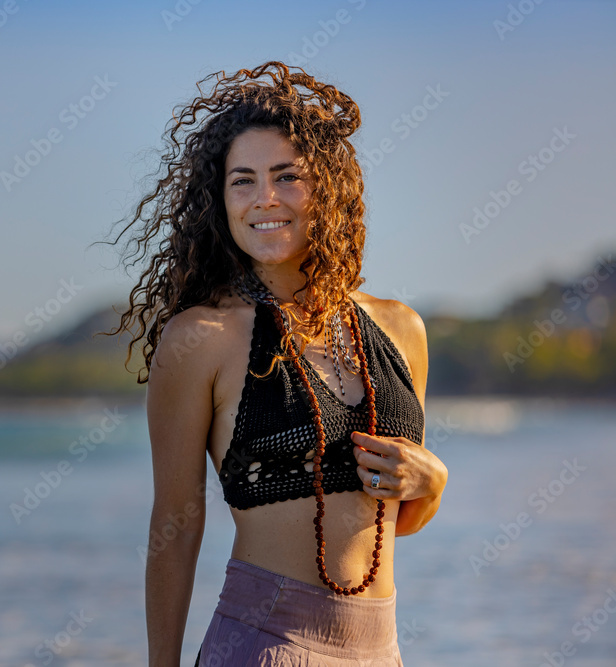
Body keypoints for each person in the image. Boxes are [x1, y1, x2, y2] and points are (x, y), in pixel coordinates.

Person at [105, 62, 449, 665]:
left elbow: (397, 518)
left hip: (382, 650)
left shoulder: (401, 329)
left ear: (328, 189)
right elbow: (176, 525)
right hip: (264, 644)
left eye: (286, 176)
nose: (264, 198)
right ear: (220, 201)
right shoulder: (201, 339)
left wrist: (434, 483)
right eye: (243, 180)